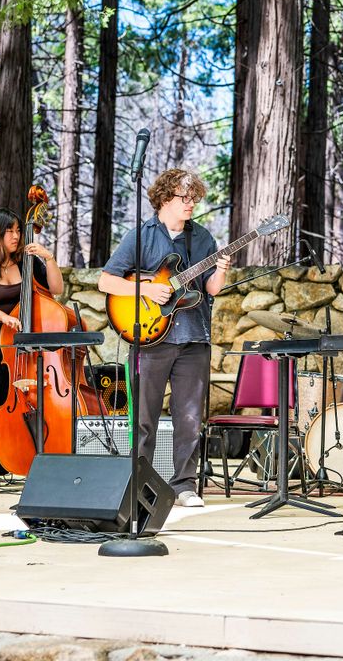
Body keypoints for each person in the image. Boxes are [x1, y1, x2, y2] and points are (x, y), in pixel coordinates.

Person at [97, 169, 229, 508]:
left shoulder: (201, 238)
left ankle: (183, 485)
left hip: (193, 337)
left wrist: (223, 268)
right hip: (149, 337)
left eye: (194, 199)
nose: (190, 205)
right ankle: (139, 482)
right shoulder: (140, 236)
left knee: (189, 417)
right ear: (164, 198)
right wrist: (145, 289)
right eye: (184, 198)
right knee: (143, 416)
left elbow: (211, 289)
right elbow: (106, 282)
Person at [0, 209, 63, 484]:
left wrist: (49, 259)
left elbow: (56, 290)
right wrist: (4, 317)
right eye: (10, 231)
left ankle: (24, 459)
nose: (16, 236)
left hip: (26, 350)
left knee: (28, 404)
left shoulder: (27, 263)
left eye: (19, 230)